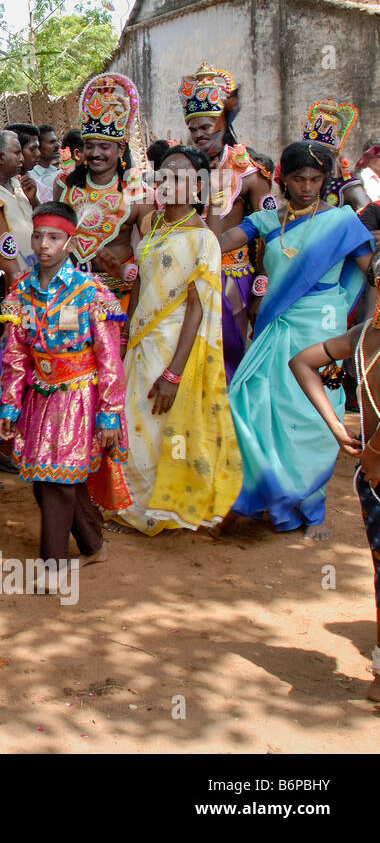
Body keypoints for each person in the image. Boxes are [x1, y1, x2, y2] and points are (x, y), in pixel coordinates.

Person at [219, 141, 374, 539]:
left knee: (310, 418)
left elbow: (372, 269)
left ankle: (308, 504)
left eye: (316, 179)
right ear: (282, 179)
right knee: (250, 405)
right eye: (298, 178)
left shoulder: (341, 221)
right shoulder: (268, 221)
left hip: (322, 330)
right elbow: (219, 242)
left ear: (325, 180)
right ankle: (267, 494)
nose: (307, 187)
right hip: (275, 330)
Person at [107, 145, 240, 535]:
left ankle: (151, 513)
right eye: (163, 175)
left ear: (198, 185)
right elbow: (143, 285)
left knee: (155, 428)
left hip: (171, 349)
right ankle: (128, 506)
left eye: (180, 177)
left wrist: (174, 373)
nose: (168, 183)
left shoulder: (203, 240)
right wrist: (126, 335)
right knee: (133, 425)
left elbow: (198, 310)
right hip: (140, 345)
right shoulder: (151, 226)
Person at [0, 201, 127, 572]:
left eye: (54, 237)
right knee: (45, 478)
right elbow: (16, 354)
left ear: (70, 243)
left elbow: (109, 357)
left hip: (80, 395)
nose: (43, 245)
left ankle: (51, 566)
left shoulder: (90, 291)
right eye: (37, 236)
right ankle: (93, 544)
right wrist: (9, 405)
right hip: (40, 394)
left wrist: (110, 414)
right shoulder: (21, 291)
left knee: (57, 480)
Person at [290, 264, 380, 702]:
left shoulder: (364, 337)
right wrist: (340, 429)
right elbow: (302, 362)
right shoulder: (363, 338)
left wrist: (342, 430)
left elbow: (303, 362)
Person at [179, 62, 273, 380]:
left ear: (223, 121)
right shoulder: (182, 169)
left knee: (230, 359)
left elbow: (268, 231)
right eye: (194, 130)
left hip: (233, 277)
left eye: (206, 127)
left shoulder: (248, 171)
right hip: (187, 276)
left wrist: (262, 286)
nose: (200, 135)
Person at [55, 73, 153, 314]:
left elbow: (150, 255)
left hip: (120, 296)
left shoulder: (138, 193)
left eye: (104, 146)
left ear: (121, 149)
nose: (95, 153)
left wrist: (134, 318)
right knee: (71, 353)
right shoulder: (65, 186)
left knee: (115, 352)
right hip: (70, 295)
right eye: (90, 145)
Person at [0, 128, 31, 287]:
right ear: (1, 157)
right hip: (11, 284)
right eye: (17, 153)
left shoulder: (20, 183)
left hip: (39, 278)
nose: (22, 158)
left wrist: (34, 199)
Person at [301, 100, 368, 211]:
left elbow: (369, 221)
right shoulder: (300, 185)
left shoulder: (348, 188)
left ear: (334, 156)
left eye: (318, 155)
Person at [30, 125, 60, 190]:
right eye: (51, 142)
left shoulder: (56, 171)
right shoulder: (31, 177)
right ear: (38, 147)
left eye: (57, 141)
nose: (57, 145)